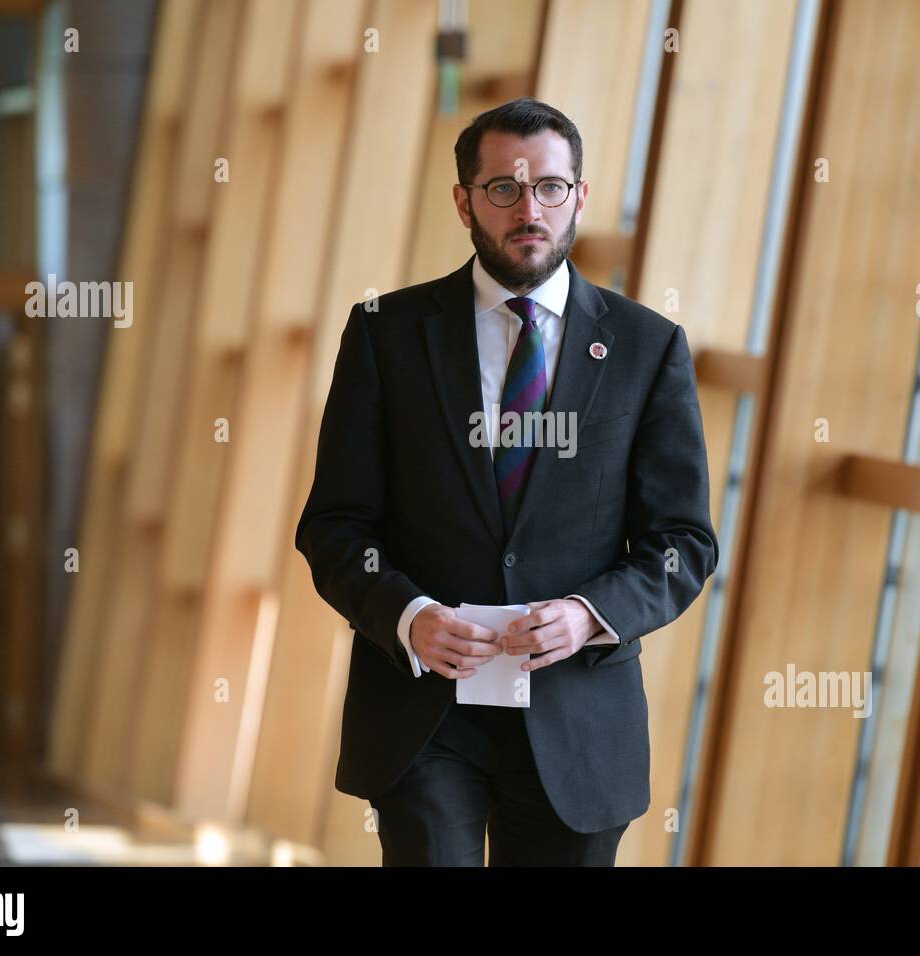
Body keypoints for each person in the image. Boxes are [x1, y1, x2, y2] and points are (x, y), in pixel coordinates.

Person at [296, 98, 718, 865]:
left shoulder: (648, 349)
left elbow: (681, 543)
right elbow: (335, 525)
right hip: (425, 716)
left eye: (552, 188)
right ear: (464, 201)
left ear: (579, 197)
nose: (531, 210)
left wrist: (590, 614)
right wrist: (407, 615)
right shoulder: (385, 334)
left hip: (580, 719)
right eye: (504, 189)